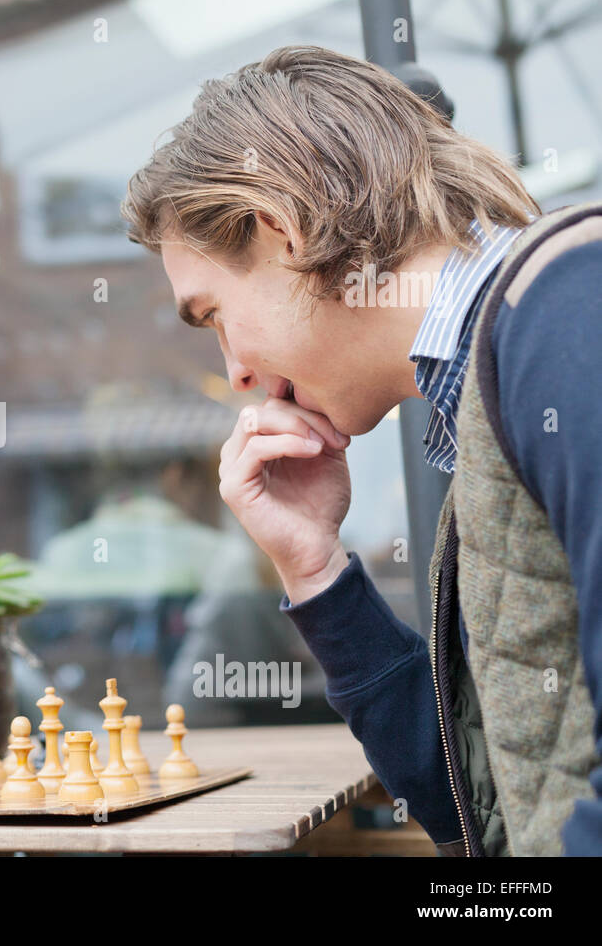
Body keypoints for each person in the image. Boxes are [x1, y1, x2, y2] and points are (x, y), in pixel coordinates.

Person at [122, 45, 601, 855]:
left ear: (282, 230)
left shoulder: (567, 320)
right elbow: (479, 810)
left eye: (213, 315)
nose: (236, 370)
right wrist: (317, 570)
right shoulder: (502, 368)